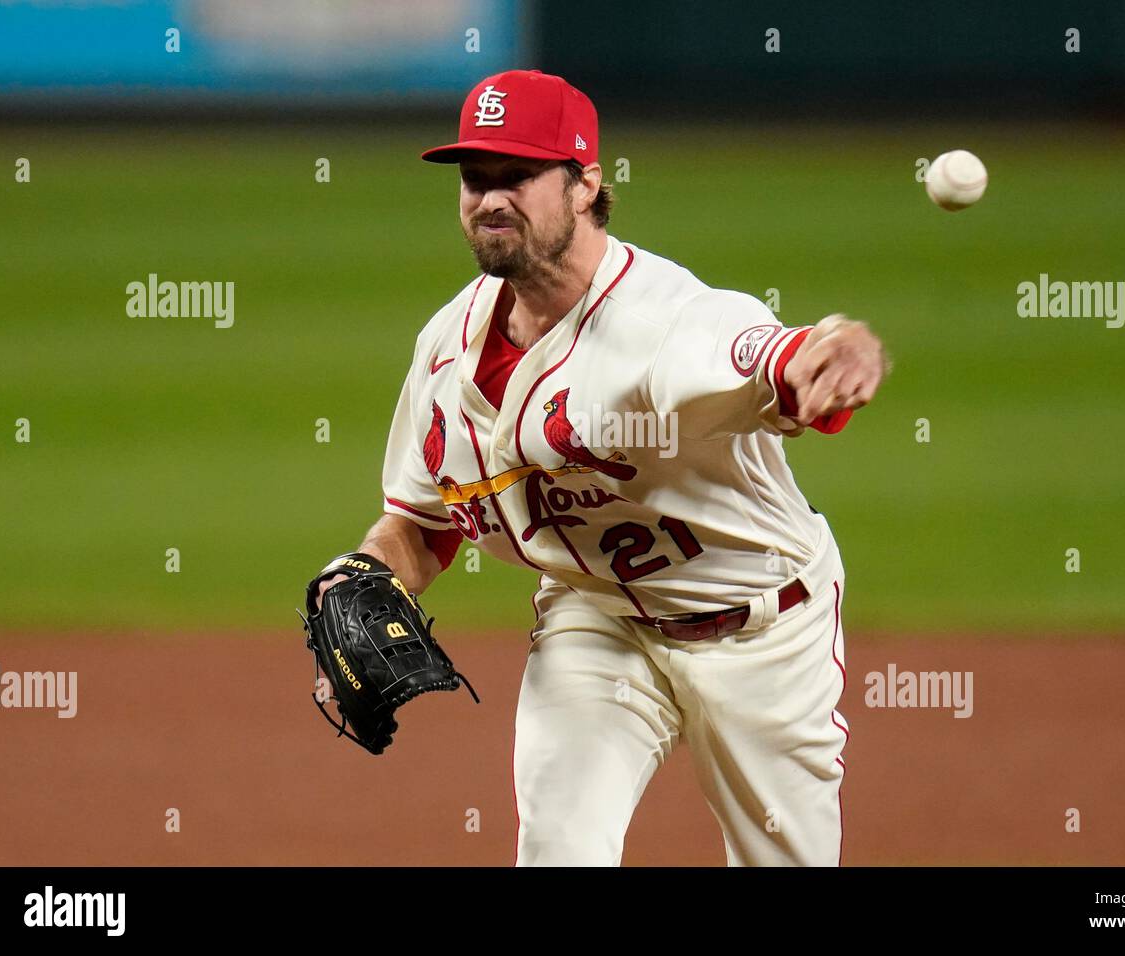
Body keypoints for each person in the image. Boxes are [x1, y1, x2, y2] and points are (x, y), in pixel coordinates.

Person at [320, 69, 889, 866]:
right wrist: (362, 574)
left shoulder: (666, 324)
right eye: (475, 178)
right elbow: (422, 522)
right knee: (559, 851)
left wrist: (838, 349)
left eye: (517, 176)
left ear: (587, 184)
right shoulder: (446, 346)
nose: (489, 199)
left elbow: (781, 359)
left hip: (760, 629)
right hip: (597, 621)